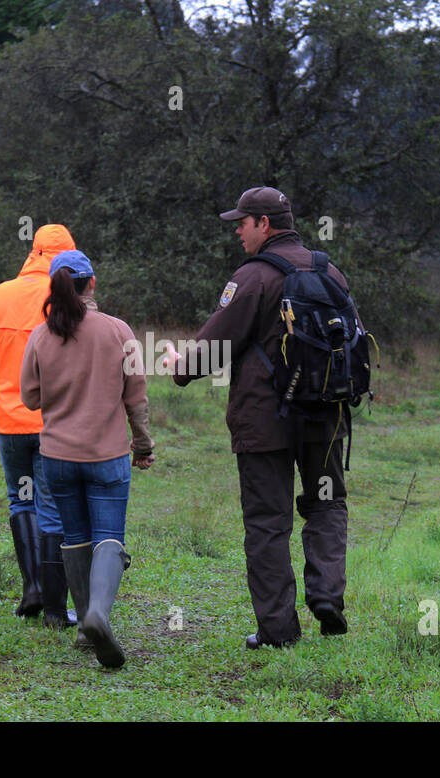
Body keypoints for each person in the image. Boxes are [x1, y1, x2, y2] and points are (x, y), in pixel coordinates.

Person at [172, 186, 352, 650]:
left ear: (264, 224)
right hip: (327, 418)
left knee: (268, 522)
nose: (237, 230)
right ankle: (327, 595)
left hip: (265, 421)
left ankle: (277, 631)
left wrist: (180, 369)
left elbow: (217, 343)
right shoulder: (329, 270)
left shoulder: (253, 277)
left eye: (242, 222)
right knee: (327, 504)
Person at [20, 250, 154, 668]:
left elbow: (29, 397)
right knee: (109, 536)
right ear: (91, 283)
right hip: (107, 457)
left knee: (74, 537)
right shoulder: (119, 331)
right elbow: (137, 395)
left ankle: (84, 628)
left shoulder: (41, 336)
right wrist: (143, 445)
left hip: (57, 457)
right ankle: (97, 614)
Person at [0, 224, 79, 627]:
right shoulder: (66, 295)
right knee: (53, 509)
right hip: (54, 421)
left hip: (10, 422)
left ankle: (32, 587)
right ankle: (55, 607)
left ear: (33, 251)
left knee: (22, 500)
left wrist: (8, 389)